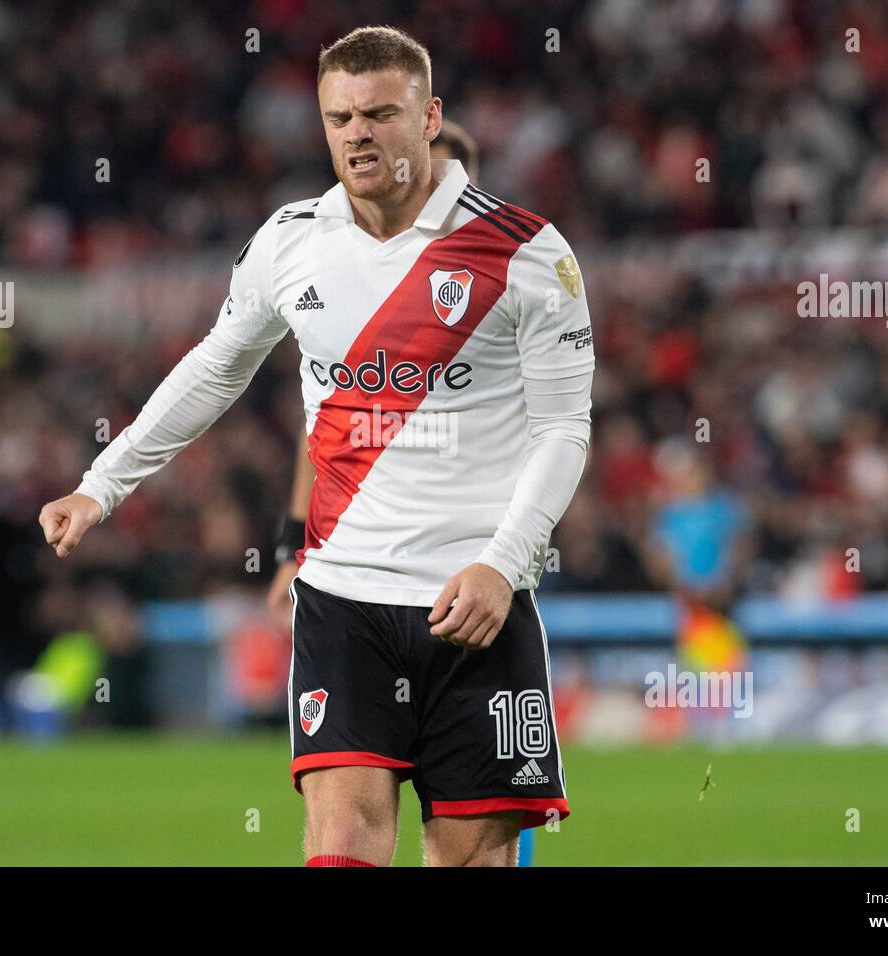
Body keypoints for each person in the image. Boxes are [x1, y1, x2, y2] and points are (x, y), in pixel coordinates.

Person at [39, 26, 594, 867]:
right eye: (339, 118)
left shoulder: (526, 252)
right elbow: (214, 369)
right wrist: (100, 484)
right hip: (343, 600)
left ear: (430, 116)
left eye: (379, 113)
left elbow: (564, 429)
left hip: (476, 598)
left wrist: (504, 561)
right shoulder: (292, 241)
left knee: (473, 860)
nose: (357, 134)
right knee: (340, 846)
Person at [266, 117, 481, 629]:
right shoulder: (357, 295)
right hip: (363, 562)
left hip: (475, 553)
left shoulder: (508, 289)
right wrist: (290, 552)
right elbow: (320, 434)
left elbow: (558, 426)